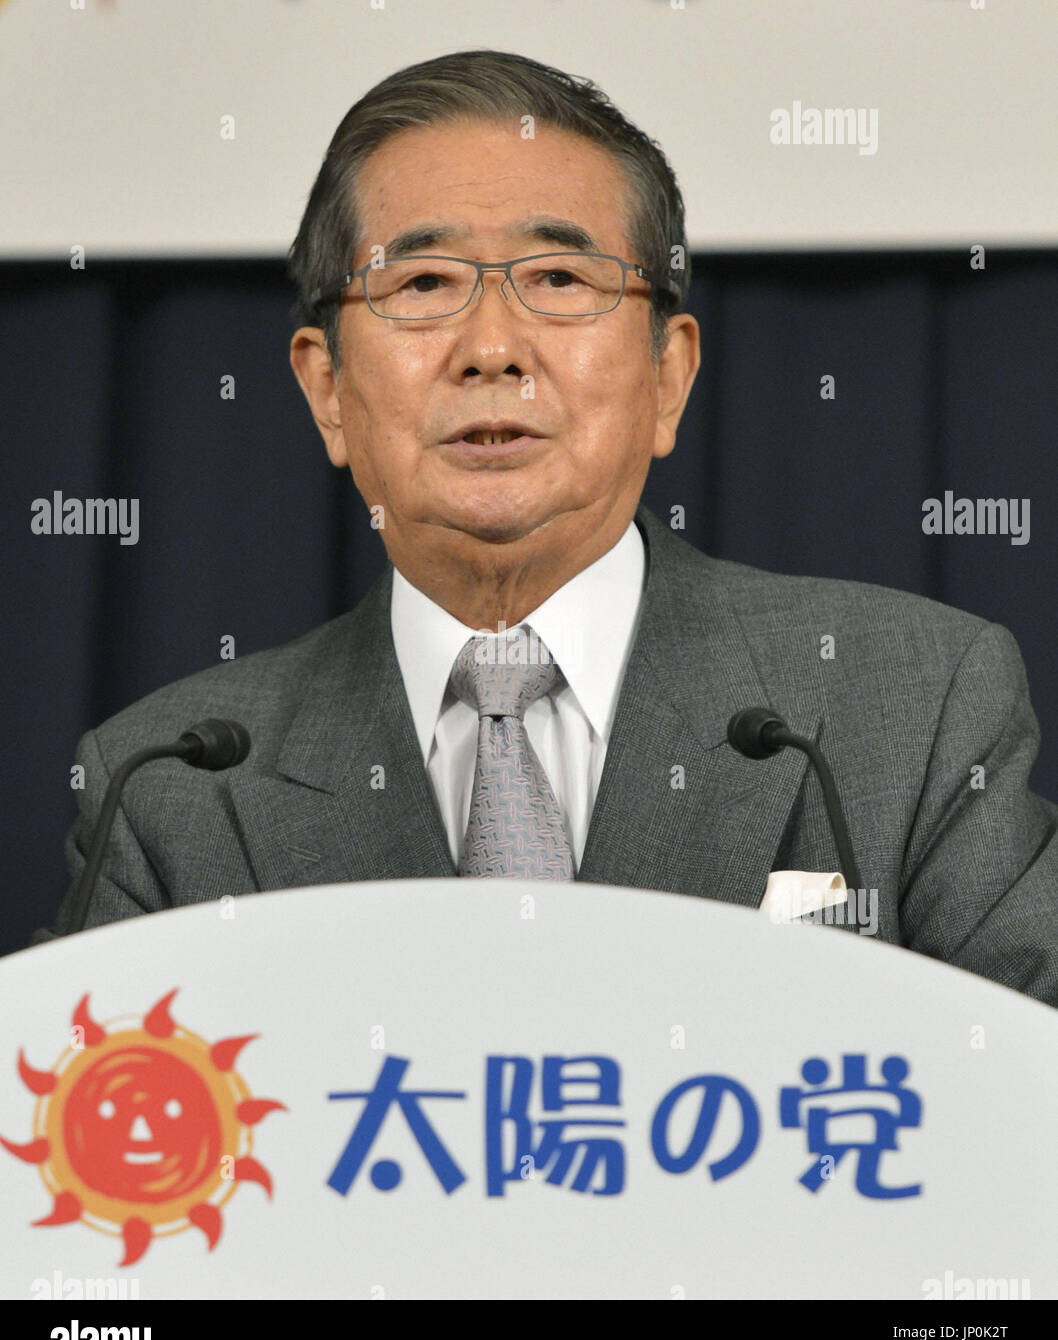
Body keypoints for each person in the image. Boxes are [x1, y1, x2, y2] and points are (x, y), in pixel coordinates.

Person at [36, 51, 1058, 1010]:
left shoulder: (909, 706)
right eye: (421, 284)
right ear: (326, 389)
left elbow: (1025, 1106)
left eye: (560, 281)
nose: (490, 349)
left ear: (666, 376)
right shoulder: (168, 790)